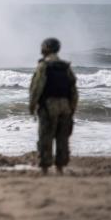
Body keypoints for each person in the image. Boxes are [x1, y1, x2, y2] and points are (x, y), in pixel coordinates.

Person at [29, 38, 78, 174]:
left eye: (43, 46)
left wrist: (32, 105)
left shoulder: (43, 66)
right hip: (65, 106)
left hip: (49, 105)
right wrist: (72, 107)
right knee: (62, 138)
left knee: (46, 137)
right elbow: (73, 89)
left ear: (48, 48)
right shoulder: (65, 66)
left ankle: (45, 168)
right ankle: (60, 168)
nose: (41, 48)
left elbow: (37, 87)